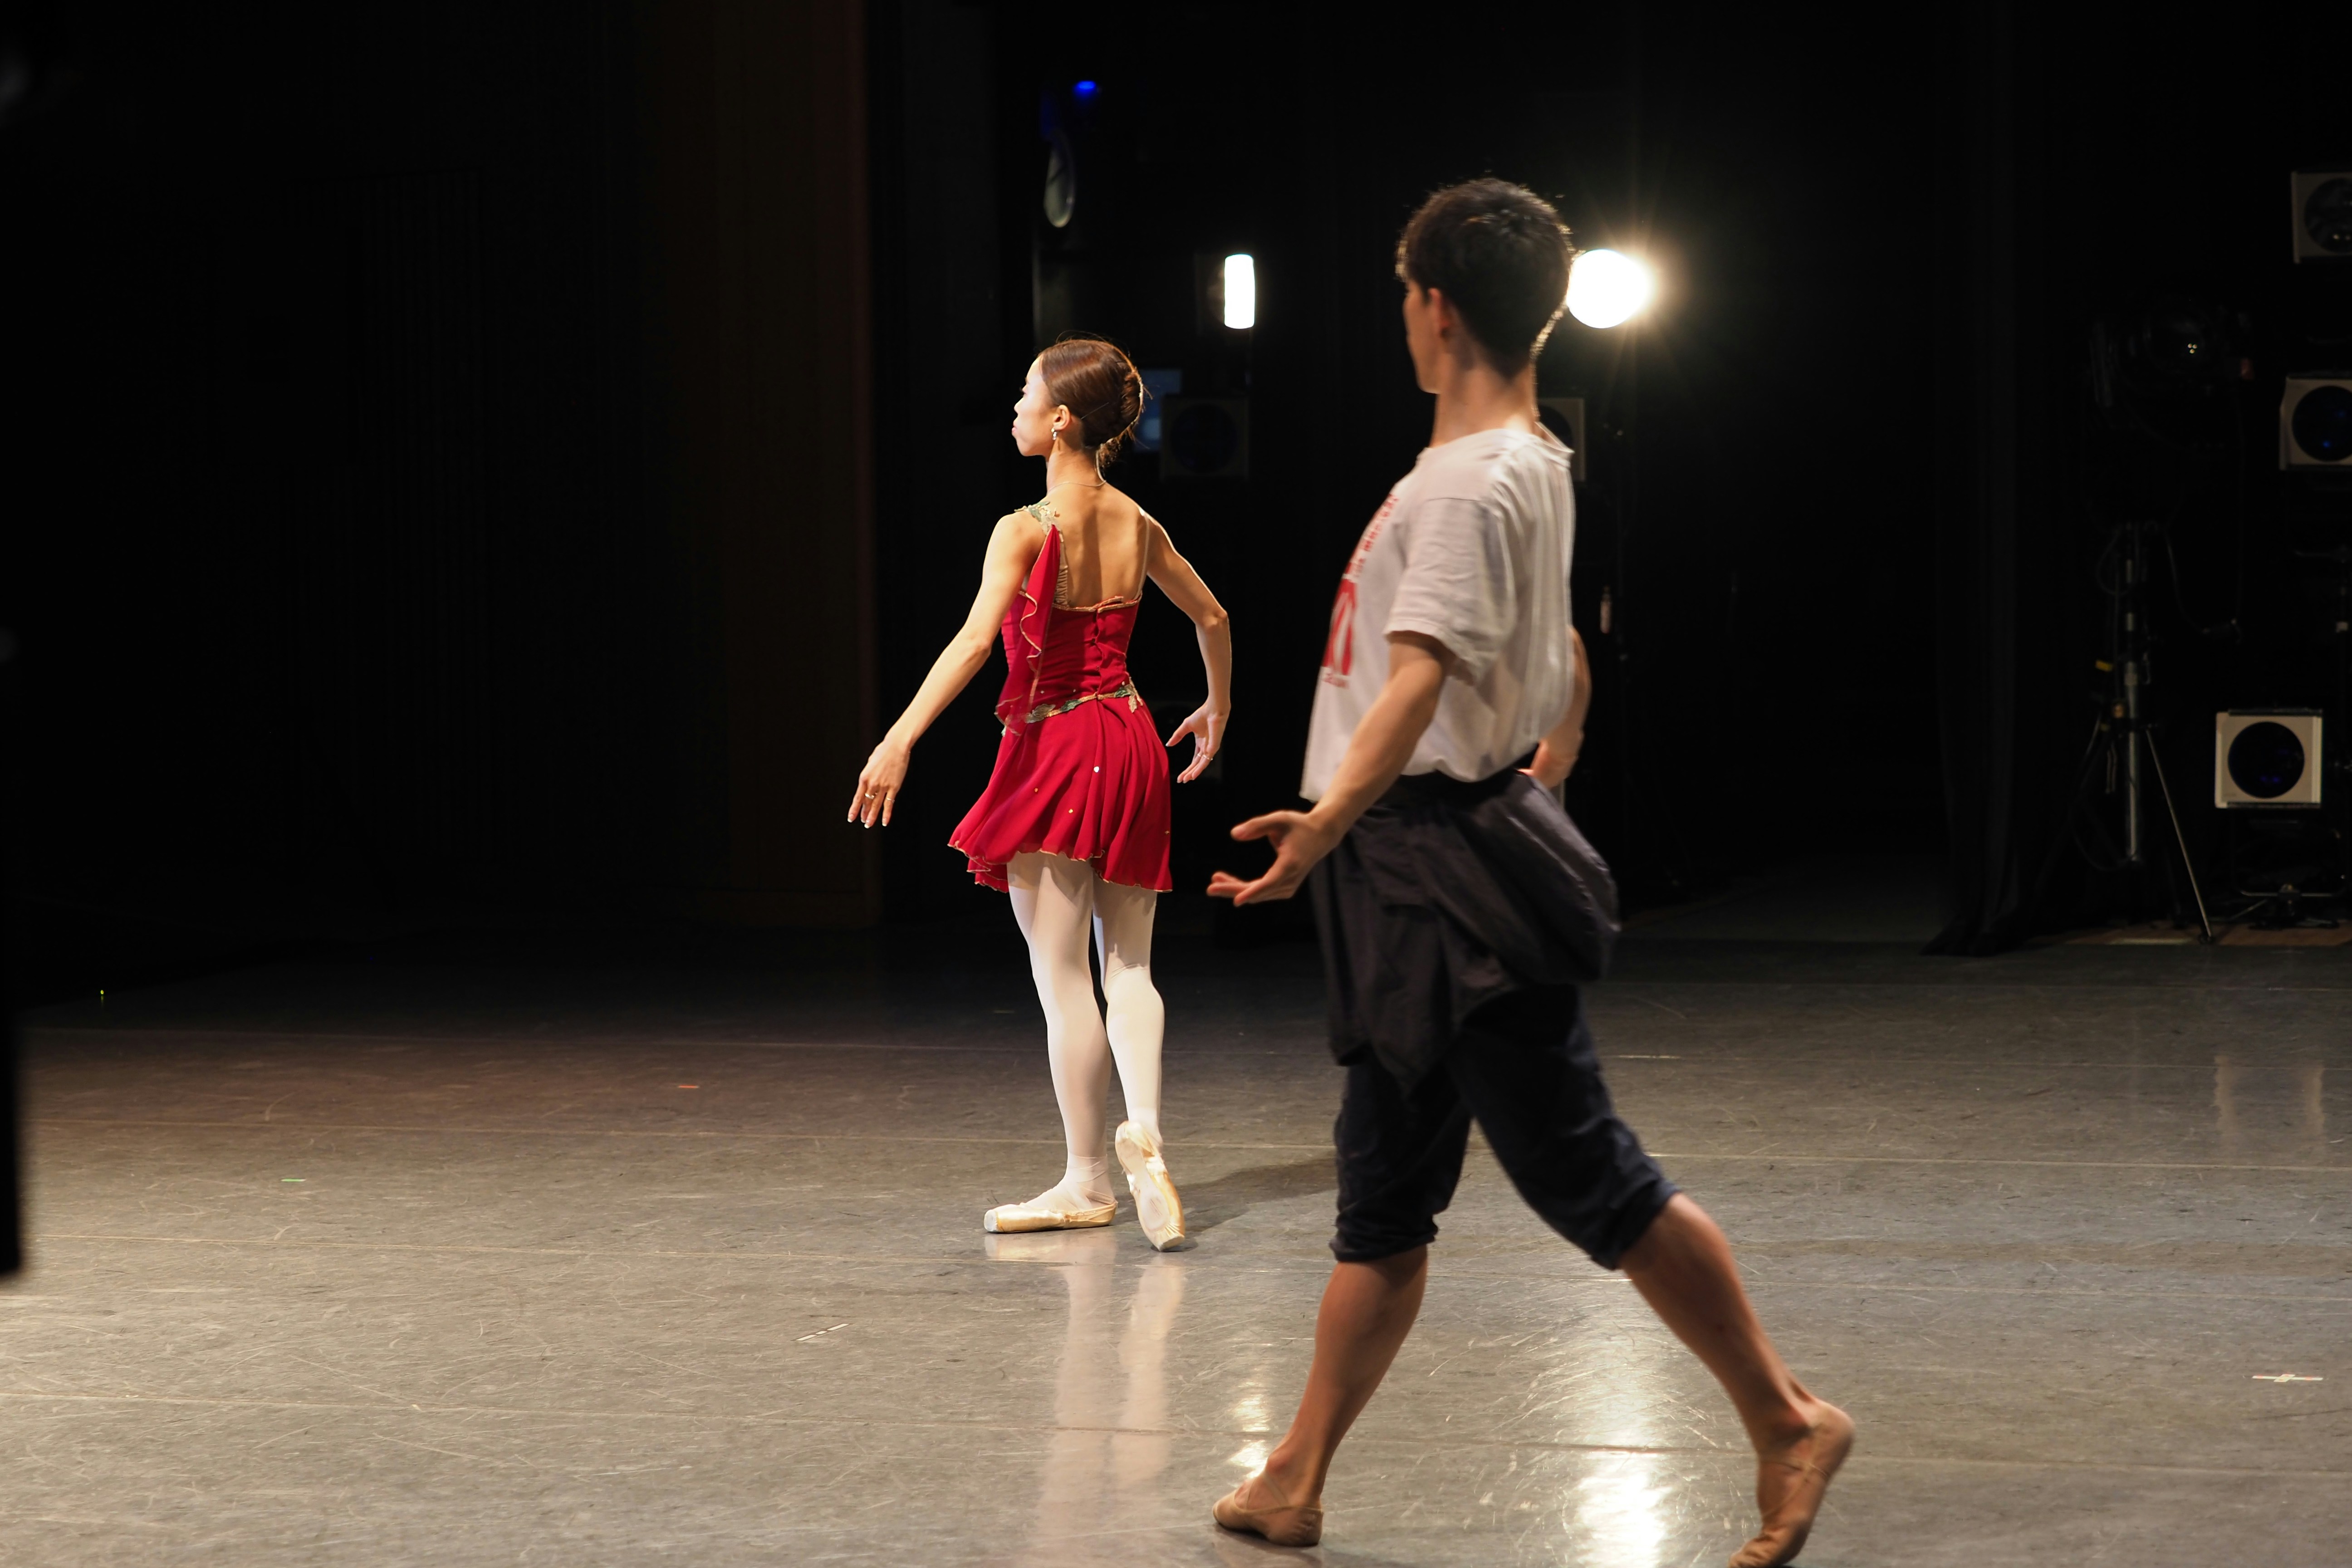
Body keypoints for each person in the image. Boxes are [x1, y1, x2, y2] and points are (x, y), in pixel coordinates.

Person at [1204, 180, 1850, 1568]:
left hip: (1434, 874)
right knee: (1383, 1193)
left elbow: (1418, 676)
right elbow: (1557, 659)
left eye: (1402, 295)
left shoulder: (1463, 483)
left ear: (1433, 307)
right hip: (1426, 862)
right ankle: (1293, 1475)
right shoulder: (1536, 462)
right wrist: (1533, 771)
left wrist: (1328, 825)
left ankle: (1788, 1416)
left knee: (1588, 1177)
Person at [849, 335, 1232, 1252]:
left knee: (1064, 980)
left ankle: (1088, 1177)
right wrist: (1216, 706)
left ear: (1062, 419)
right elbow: (1213, 616)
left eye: (1026, 394)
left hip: (1057, 745)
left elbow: (978, 643)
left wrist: (899, 737)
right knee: (1131, 964)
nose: (1015, 408)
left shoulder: (1024, 527)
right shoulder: (1138, 523)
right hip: (1132, 735)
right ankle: (1143, 1124)